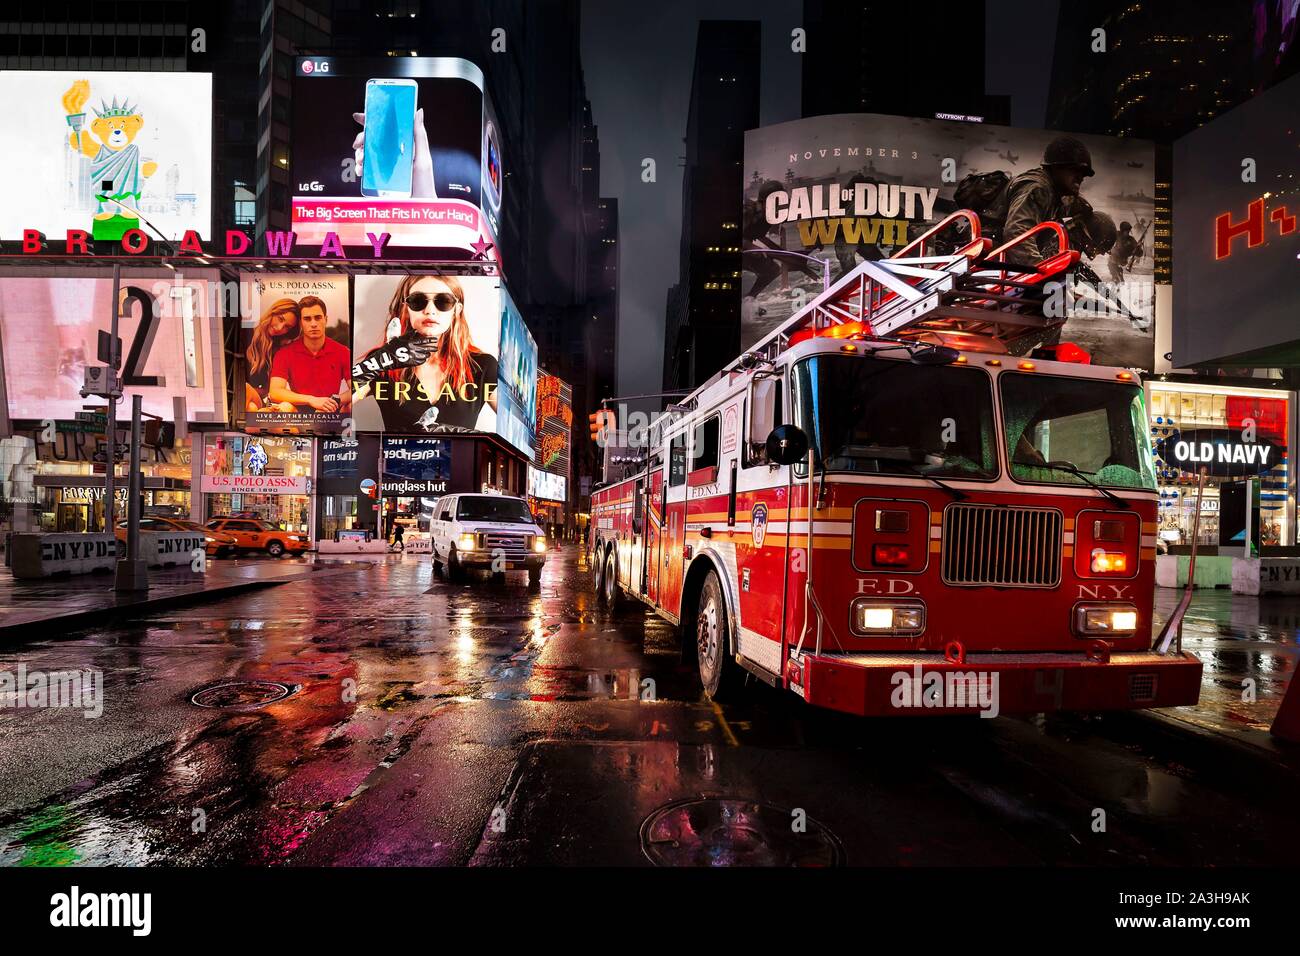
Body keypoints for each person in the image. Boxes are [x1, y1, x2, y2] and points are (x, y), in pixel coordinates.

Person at [353, 274, 499, 432]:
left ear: (457, 310)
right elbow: (334, 406)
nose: (429, 310)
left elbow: (518, 425)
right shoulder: (383, 361)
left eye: (443, 301)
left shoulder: (482, 366)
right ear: (406, 309)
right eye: (417, 301)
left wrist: (479, 440)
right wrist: (377, 362)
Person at [1000, 136, 1096, 266]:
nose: (1081, 177)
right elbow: (1016, 234)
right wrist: (1043, 269)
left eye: (1084, 173)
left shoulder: (1055, 196)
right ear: (1056, 167)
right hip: (992, 262)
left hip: (1004, 262)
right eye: (1075, 170)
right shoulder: (1038, 188)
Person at [268, 296, 352, 415]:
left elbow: (357, 388)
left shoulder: (343, 352)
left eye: (318, 318)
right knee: (285, 407)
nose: (313, 324)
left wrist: (335, 401)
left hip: (331, 411)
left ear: (325, 319)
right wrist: (311, 400)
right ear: (300, 323)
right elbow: (275, 392)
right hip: (298, 414)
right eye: (307, 319)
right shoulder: (284, 353)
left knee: (351, 405)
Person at [245, 298, 300, 411]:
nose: (280, 328)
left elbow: (269, 390)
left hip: (259, 399)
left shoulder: (278, 350)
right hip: (243, 399)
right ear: (273, 312)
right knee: (251, 407)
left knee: (246, 389)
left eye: (287, 327)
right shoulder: (246, 333)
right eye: (280, 319)